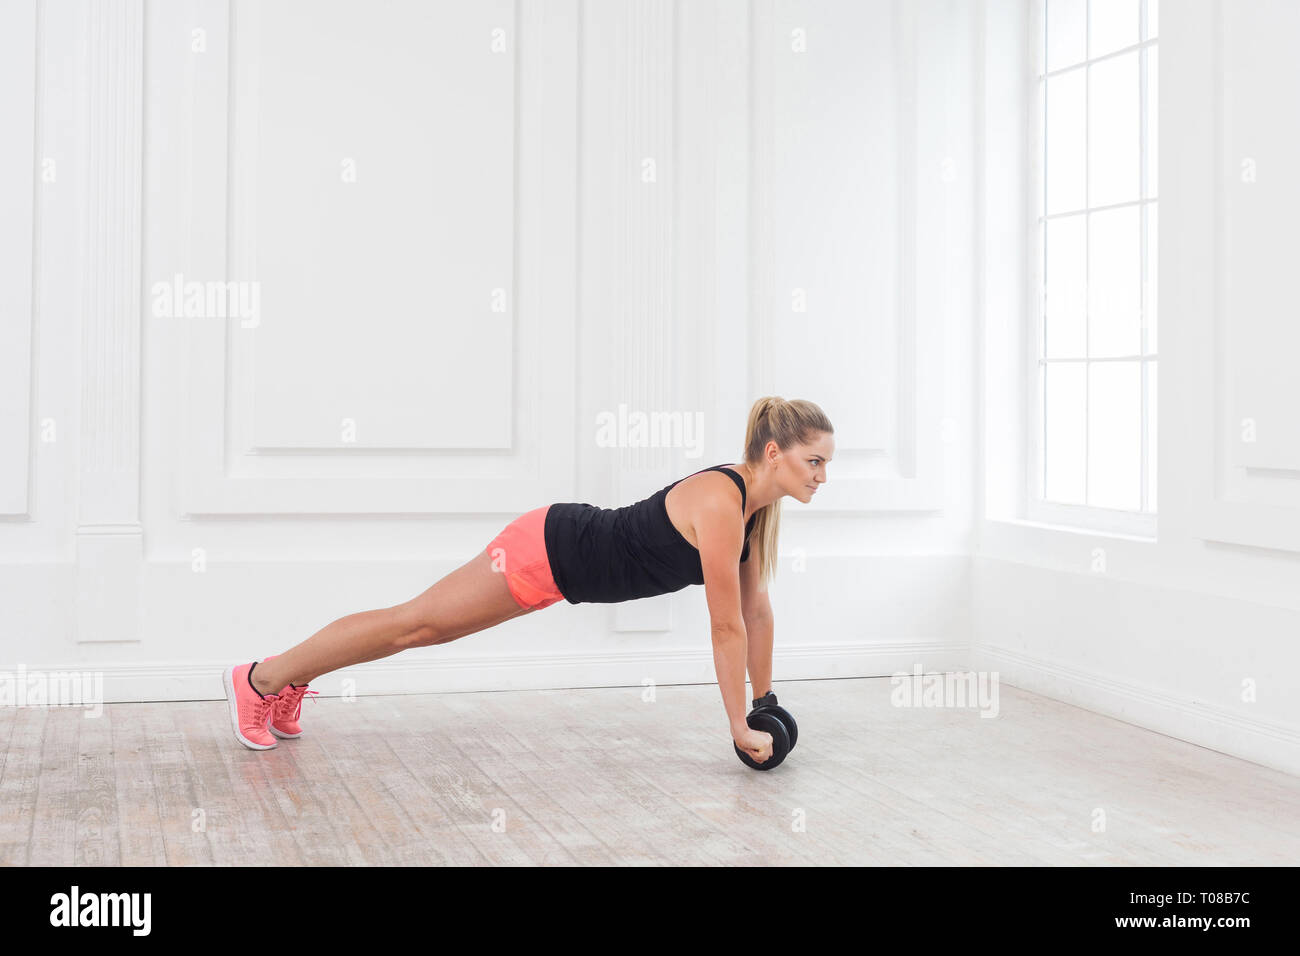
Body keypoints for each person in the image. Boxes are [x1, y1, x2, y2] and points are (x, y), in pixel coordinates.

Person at [223, 396, 834, 765]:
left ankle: (285, 679)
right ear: (774, 452)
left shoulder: (753, 516)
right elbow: (725, 625)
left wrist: (765, 703)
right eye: (815, 461)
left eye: (827, 464)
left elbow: (756, 615)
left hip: (561, 569)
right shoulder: (722, 503)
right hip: (549, 548)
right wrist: (736, 724)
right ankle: (260, 679)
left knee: (421, 629)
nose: (822, 476)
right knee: (415, 625)